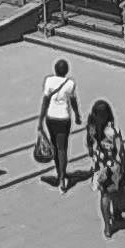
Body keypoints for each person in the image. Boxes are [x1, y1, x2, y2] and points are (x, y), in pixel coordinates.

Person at [85, 98, 125, 239]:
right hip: (112, 166)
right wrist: (124, 167)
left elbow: (89, 147)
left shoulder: (92, 128)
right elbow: (120, 151)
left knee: (104, 195)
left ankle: (107, 226)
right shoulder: (112, 131)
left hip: (99, 166)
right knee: (115, 190)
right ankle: (117, 215)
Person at [37, 56, 81, 190]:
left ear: (55, 70)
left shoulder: (49, 81)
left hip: (51, 118)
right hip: (64, 118)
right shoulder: (70, 84)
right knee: (62, 148)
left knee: (54, 146)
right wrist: (77, 115)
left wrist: (40, 120)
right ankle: (62, 178)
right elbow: (73, 102)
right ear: (66, 71)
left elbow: (45, 101)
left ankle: (59, 173)